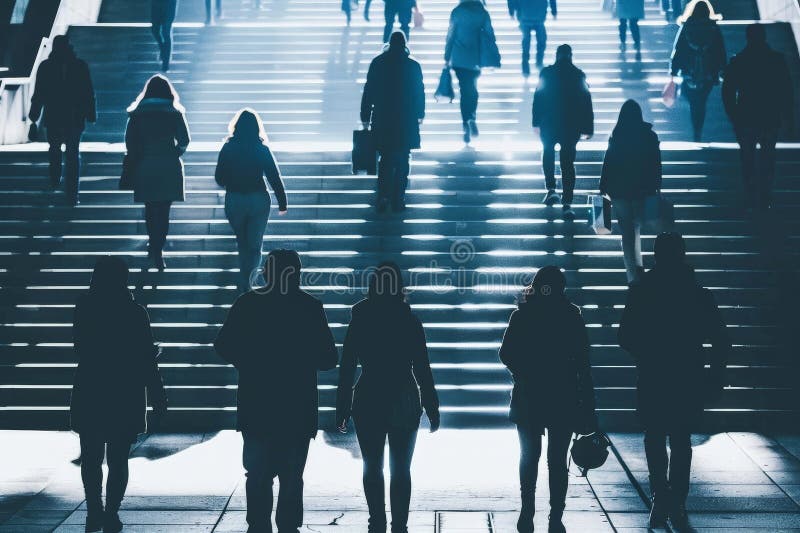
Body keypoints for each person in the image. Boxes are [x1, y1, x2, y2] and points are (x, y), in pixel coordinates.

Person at [215, 249, 338, 533]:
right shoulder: (309, 307)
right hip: (297, 405)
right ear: (297, 274)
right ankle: (288, 528)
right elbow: (329, 358)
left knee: (258, 474)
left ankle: (258, 527)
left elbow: (222, 345)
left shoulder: (248, 303)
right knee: (292, 476)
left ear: (266, 272)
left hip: (257, 402)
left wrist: (250, 361)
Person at [619, 232, 730, 531]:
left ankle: (660, 495)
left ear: (656, 255)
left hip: (654, 372)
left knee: (654, 436)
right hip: (687, 373)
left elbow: (625, 336)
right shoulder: (699, 294)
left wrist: (647, 352)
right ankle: (677, 499)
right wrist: (715, 376)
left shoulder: (642, 292)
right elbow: (721, 339)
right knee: (681, 440)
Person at [336, 262, 440, 533]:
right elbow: (422, 366)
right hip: (404, 395)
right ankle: (400, 526)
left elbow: (347, 365)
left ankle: (376, 522)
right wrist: (431, 403)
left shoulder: (360, 319)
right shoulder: (409, 320)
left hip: (369, 393)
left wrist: (342, 405)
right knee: (401, 468)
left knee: (372, 465)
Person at [70, 256, 168, 533]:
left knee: (90, 456)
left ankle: (94, 509)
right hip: (126, 390)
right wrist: (158, 394)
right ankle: (112, 510)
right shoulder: (135, 312)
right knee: (117, 458)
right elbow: (148, 358)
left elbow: (79, 348)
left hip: (92, 387)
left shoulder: (84, 308)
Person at [499, 266, 597, 533]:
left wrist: (524, 372)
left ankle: (527, 512)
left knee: (528, 456)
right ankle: (556, 517)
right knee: (557, 460)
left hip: (529, 394)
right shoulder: (571, 317)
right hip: (562, 395)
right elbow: (583, 363)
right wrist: (588, 404)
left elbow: (506, 354)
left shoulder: (523, 316)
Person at [722, 23, 794, 212]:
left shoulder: (739, 60)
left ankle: (750, 190)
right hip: (769, 117)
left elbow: (728, 91)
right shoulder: (776, 60)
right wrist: (788, 116)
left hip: (746, 118)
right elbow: (786, 91)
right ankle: (765, 190)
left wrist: (734, 114)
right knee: (768, 156)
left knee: (747, 156)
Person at [215, 109, 288, 293]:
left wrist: (232, 178)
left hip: (235, 197)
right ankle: (248, 281)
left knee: (242, 242)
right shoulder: (261, 148)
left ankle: (244, 281)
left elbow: (219, 177)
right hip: (258, 197)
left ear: (236, 127)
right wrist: (282, 201)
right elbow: (273, 175)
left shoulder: (228, 147)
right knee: (255, 244)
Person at [125, 75, 190, 270]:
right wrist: (174, 153)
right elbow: (185, 140)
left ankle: (152, 245)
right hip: (168, 165)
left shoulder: (137, 113)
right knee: (164, 210)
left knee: (150, 207)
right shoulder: (174, 112)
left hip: (145, 164)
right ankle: (158, 249)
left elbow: (129, 141)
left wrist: (138, 155)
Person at [361, 31, 425, 213]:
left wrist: (365, 116)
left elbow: (368, 91)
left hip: (383, 117)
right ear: (404, 44)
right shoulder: (413, 66)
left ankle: (383, 195)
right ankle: (398, 198)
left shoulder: (378, 63)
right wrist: (420, 113)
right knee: (403, 159)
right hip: (406, 119)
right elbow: (419, 92)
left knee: (385, 159)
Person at [28, 34, 96, 206]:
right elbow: (88, 92)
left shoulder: (46, 66)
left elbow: (39, 94)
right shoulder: (80, 66)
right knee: (73, 154)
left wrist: (34, 116)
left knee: (55, 150)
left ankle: (55, 178)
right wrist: (91, 113)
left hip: (54, 117)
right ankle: (72, 193)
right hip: (74, 117)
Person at [599, 100, 662, 284]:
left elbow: (608, 163)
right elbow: (656, 164)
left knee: (627, 233)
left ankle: (633, 275)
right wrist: (656, 186)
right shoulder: (649, 136)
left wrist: (603, 187)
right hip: (643, 191)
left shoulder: (617, 135)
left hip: (619, 193)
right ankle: (640, 268)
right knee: (637, 228)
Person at [532, 44, 594, 221]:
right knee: (567, 163)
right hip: (570, 125)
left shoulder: (547, 73)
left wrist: (536, 122)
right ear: (571, 56)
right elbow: (586, 102)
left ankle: (551, 189)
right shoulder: (578, 75)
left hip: (549, 123)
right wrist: (588, 128)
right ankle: (567, 203)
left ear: (557, 55)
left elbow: (538, 97)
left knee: (548, 153)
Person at [669, 0, 725, 142]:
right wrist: (721, 69)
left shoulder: (687, 26)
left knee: (693, 100)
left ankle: (696, 128)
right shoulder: (713, 28)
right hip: (708, 73)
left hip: (689, 72)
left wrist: (674, 69)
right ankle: (698, 129)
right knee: (701, 101)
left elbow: (678, 49)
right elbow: (720, 50)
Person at [444, 0, 499, 143]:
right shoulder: (482, 12)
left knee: (464, 89)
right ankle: (471, 118)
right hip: (475, 58)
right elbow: (490, 35)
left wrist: (446, 56)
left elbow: (450, 35)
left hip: (458, 57)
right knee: (472, 89)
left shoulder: (457, 12)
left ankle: (466, 122)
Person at [507, 0, 556, 74]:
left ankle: (526, 68)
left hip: (524, 14)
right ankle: (538, 63)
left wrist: (511, 11)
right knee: (541, 42)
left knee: (526, 43)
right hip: (538, 14)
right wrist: (554, 11)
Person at [151, 0, 178, 71]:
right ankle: (163, 50)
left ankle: (165, 64)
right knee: (154, 30)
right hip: (157, 3)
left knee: (166, 32)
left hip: (170, 3)